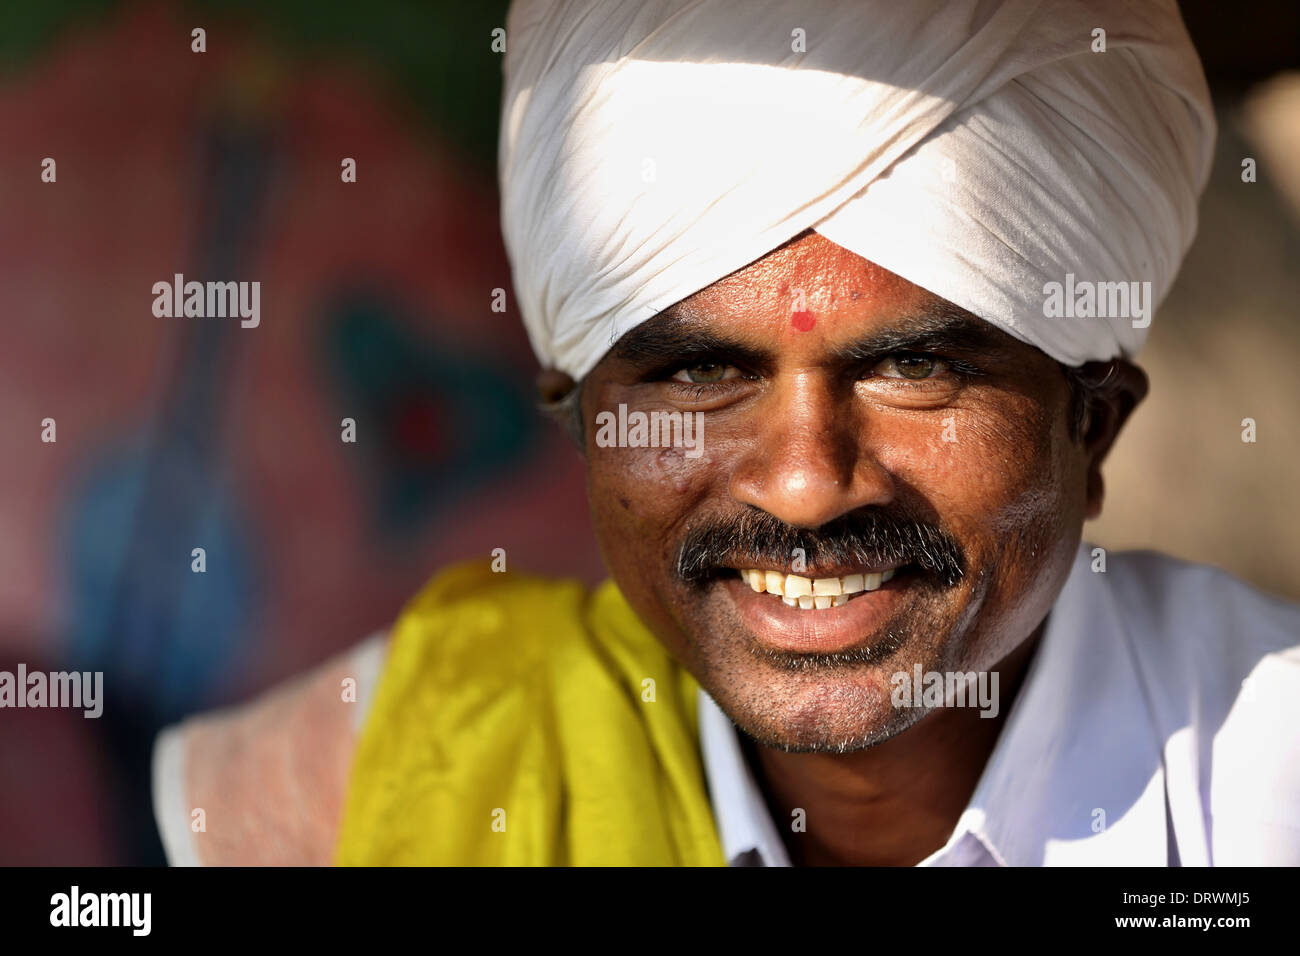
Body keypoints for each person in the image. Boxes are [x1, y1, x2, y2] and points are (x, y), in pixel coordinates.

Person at [151, 0, 1300, 866]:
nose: (804, 486)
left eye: (913, 366)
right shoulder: (371, 771)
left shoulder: (1264, 773)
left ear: (1091, 426)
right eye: (701, 371)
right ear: (580, 423)